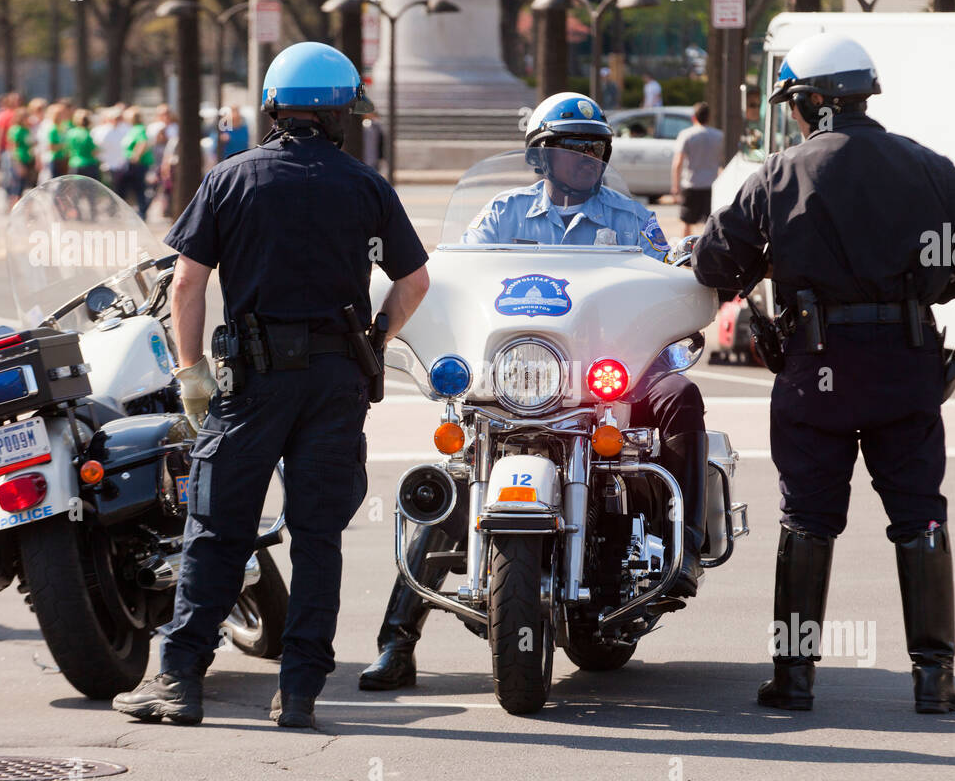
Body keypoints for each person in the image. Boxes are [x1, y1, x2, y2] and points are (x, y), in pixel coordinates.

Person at [112, 41, 431, 728]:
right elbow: (415, 281)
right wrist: (374, 339)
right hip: (336, 381)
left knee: (218, 530)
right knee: (319, 536)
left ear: (271, 107)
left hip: (254, 382)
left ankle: (180, 683)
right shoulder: (366, 186)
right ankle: (301, 691)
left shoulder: (231, 178)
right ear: (342, 113)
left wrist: (190, 371)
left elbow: (189, 283)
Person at [690, 34, 955, 713]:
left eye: (795, 104)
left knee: (807, 518)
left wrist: (767, 261)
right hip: (906, 367)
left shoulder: (781, 173)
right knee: (921, 515)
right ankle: (935, 680)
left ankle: (795, 680)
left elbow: (716, 265)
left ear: (810, 101)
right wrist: (921, 290)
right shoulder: (928, 166)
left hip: (818, 369)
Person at [358, 92, 712, 691]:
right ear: (539, 158)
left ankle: (682, 542)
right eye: (570, 147)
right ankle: (397, 643)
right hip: (513, 379)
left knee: (681, 395)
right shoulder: (501, 215)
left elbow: (666, 277)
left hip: (608, 376)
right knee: (456, 483)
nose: (587, 157)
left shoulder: (630, 219)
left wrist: (685, 277)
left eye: (595, 147)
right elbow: (450, 275)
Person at [671, 101, 724, 235]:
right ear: (709, 117)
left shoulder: (686, 134)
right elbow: (722, 162)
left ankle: (686, 252)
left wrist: (675, 186)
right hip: (711, 184)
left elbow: (678, 162)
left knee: (687, 222)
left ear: (693, 117)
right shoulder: (719, 136)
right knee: (709, 223)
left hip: (691, 184)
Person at [115, 107, 152, 219]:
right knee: (130, 188)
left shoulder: (139, 129)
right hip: (131, 163)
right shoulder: (133, 129)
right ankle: (130, 211)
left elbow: (143, 143)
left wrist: (136, 157)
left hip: (136, 164)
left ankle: (141, 212)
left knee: (138, 188)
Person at [64, 109, 101, 180]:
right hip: (88, 165)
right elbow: (93, 151)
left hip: (74, 164)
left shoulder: (70, 133)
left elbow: (66, 149)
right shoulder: (87, 134)